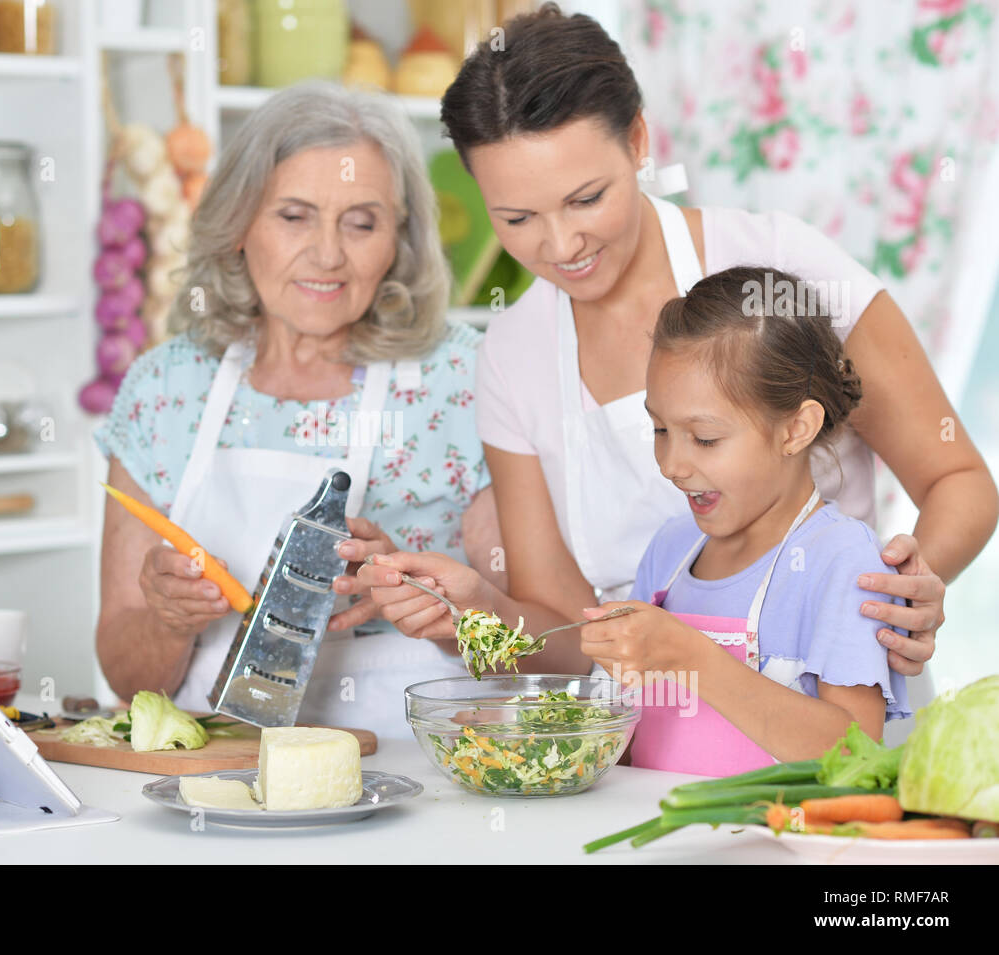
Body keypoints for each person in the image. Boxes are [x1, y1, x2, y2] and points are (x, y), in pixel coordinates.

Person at [359, 5, 996, 743]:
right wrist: (479, 608)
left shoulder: (782, 269)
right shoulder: (514, 352)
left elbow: (958, 479)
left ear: (638, 140)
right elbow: (576, 641)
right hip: (658, 755)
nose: (562, 244)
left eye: (585, 199)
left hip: (834, 746)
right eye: (517, 218)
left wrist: (909, 587)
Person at [92, 83, 503, 738]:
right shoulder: (165, 388)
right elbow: (125, 674)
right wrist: (167, 620)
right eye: (294, 215)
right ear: (238, 225)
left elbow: (532, 642)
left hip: (416, 776)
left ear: (398, 240)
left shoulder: (463, 380)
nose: (329, 253)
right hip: (213, 770)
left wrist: (431, 604)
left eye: (361, 222)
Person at [578, 266, 909, 774]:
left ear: (796, 428)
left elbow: (854, 756)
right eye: (660, 428)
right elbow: (629, 742)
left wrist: (694, 659)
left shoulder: (843, 560)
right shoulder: (669, 550)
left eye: (705, 438)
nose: (671, 465)